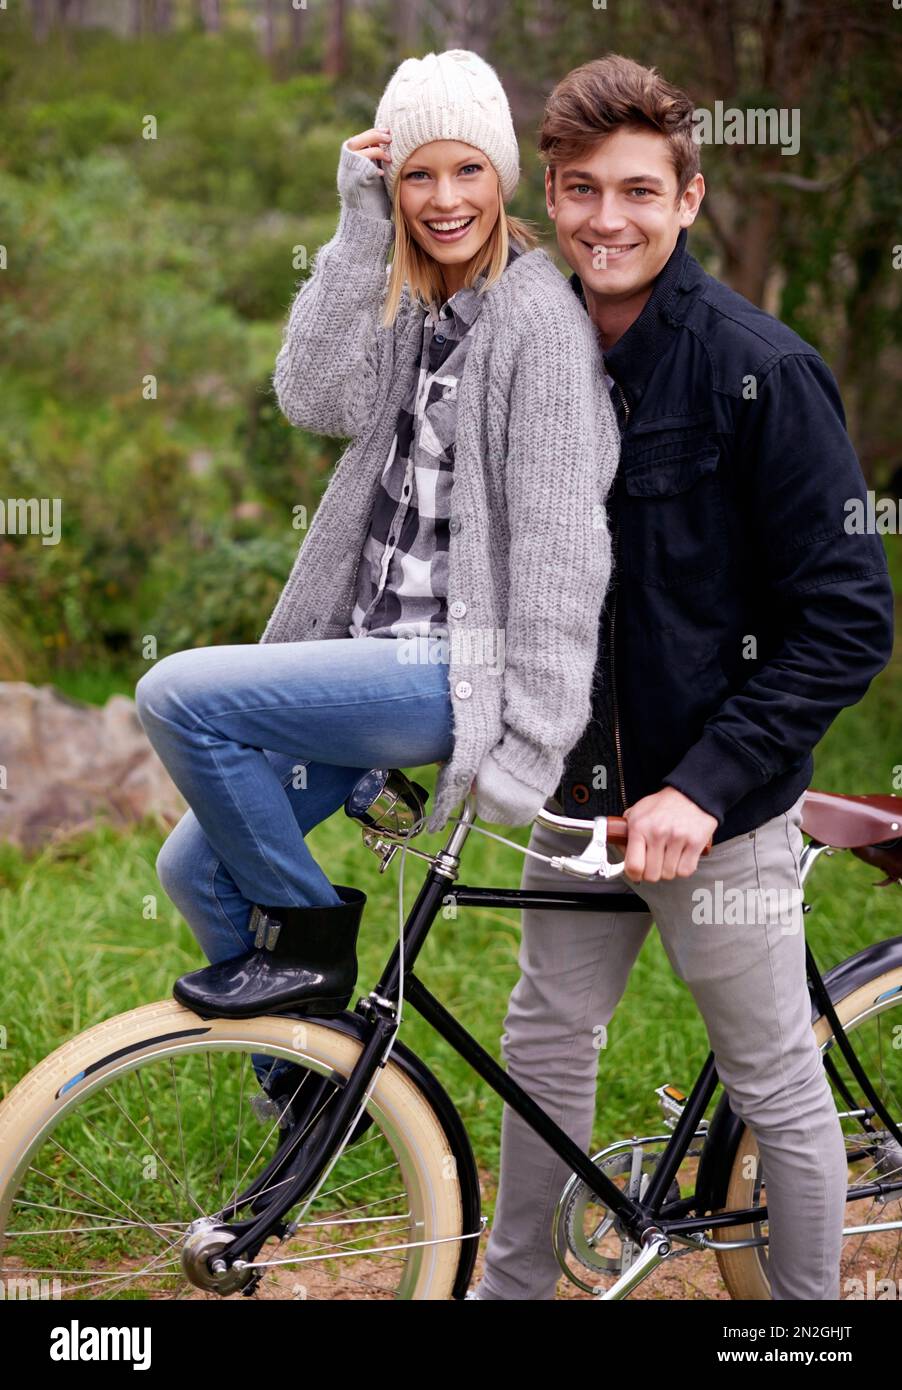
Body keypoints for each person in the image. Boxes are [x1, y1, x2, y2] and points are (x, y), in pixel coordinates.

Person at [469, 53, 895, 1301]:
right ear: (547, 197)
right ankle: (508, 1290)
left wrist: (700, 791)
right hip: (572, 793)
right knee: (542, 1047)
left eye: (638, 192)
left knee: (771, 1080)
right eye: (580, 191)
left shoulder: (759, 370)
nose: (608, 220)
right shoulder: (529, 349)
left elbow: (845, 618)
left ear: (688, 199)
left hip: (721, 813)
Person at [134, 50, 620, 1113]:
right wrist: (357, 232)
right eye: (415, 177)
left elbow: (558, 551)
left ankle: (311, 946)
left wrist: (526, 745)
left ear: (500, 178)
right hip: (373, 654)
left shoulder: (534, 322)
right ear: (389, 183)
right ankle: (321, 1096)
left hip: (452, 670)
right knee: (194, 869)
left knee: (174, 693)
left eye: (466, 173)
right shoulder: (422, 306)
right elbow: (312, 394)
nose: (443, 200)